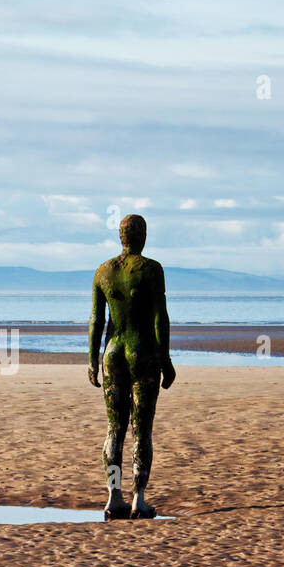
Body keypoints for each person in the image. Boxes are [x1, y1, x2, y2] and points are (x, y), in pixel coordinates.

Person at [88, 213, 175, 519]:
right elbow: (159, 318)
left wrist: (91, 360)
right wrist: (166, 359)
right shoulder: (152, 269)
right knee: (142, 430)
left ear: (120, 237)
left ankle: (114, 496)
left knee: (114, 429)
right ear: (143, 236)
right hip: (143, 353)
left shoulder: (104, 271)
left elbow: (97, 321)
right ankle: (138, 498)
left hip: (112, 354)